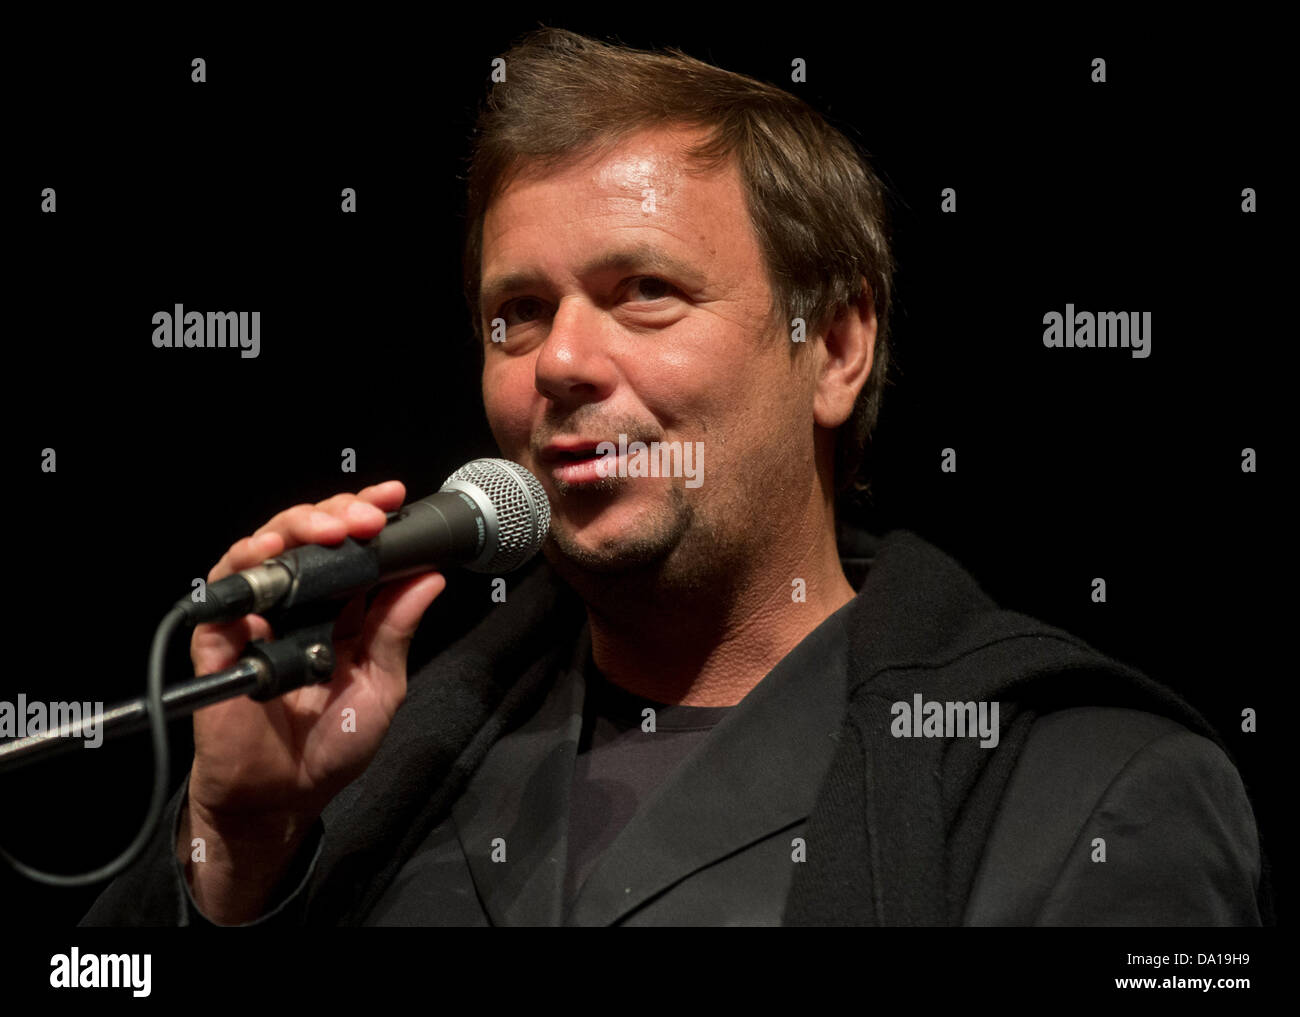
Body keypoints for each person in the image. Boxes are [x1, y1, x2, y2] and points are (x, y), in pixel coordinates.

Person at [82, 28, 1267, 927]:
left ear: (836, 348)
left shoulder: (1093, 790)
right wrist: (236, 843)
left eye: (644, 291)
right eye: (516, 316)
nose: (559, 362)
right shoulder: (378, 774)